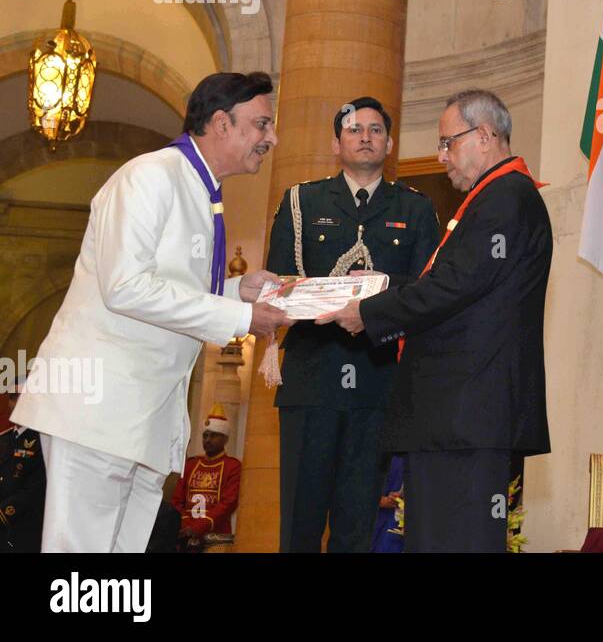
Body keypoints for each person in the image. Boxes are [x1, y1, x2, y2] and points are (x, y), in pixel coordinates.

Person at [12, 71, 290, 552]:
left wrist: (236, 291)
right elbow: (125, 287)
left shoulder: (199, 190)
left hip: (141, 417)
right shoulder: (151, 175)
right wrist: (242, 320)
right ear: (222, 123)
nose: (272, 137)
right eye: (262, 124)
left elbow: (169, 291)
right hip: (100, 408)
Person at [318, 89, 551, 552]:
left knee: (456, 541)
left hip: (469, 413)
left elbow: (454, 287)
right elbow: (457, 283)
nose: (441, 156)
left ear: (484, 135)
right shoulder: (495, 197)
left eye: (448, 143)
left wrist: (368, 312)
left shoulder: (505, 197)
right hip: (458, 415)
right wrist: (385, 286)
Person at [266, 97, 438, 552]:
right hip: (311, 377)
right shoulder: (302, 200)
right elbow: (277, 281)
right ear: (336, 142)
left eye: (376, 129)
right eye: (354, 129)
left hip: (378, 382)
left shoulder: (416, 208)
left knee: (358, 522)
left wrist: (382, 286)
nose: (365, 136)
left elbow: (429, 291)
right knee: (299, 522)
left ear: (390, 141)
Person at [172, 404, 242, 543]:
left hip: (216, 536)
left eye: (214, 435)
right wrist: (187, 526)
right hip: (185, 533)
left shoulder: (233, 466)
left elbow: (228, 504)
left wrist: (198, 527)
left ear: (225, 438)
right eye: (205, 435)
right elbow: (177, 501)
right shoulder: (191, 464)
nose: (208, 440)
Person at [0, 383, 44, 552]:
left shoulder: (43, 441)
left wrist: (4, 513)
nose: (15, 403)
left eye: (21, 398)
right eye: (12, 397)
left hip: (24, 531)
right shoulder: (4, 438)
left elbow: (34, 490)